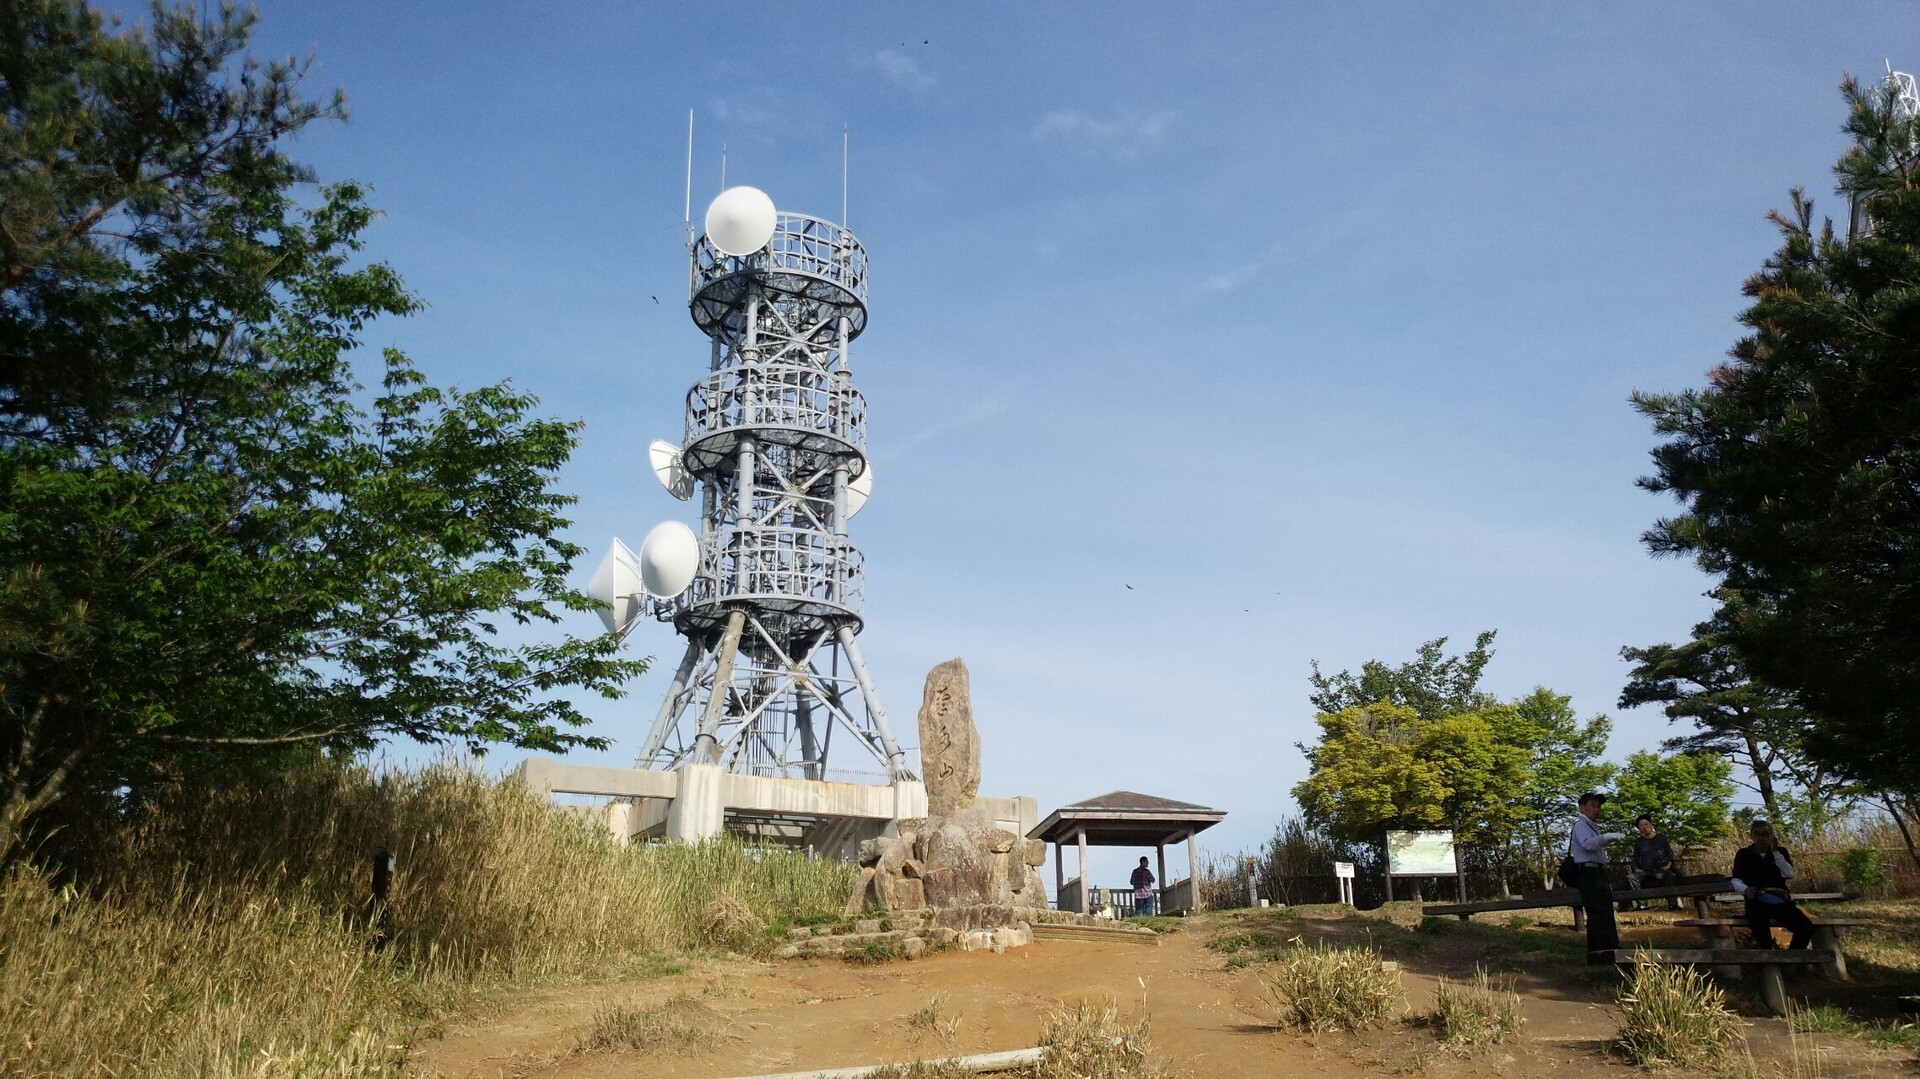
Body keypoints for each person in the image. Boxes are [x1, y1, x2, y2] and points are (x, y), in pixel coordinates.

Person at [1730, 819, 1814, 949]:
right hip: (1756, 900)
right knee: (1758, 925)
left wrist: (1775, 852)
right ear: (1751, 836)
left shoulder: (1780, 852)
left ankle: (1793, 959)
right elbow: (1736, 880)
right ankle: (1769, 954)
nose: (1761, 838)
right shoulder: (1743, 854)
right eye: (1757, 834)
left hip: (1781, 900)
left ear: (1771, 836)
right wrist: (1745, 890)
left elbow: (1789, 874)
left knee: (1805, 927)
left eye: (1765, 834)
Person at [1569, 791, 1627, 958]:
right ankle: (1602, 949)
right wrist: (1606, 837)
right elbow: (1587, 845)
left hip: (1596, 870)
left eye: (1598, 806)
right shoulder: (1581, 825)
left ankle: (1605, 947)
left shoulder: (1591, 826)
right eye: (1592, 805)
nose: (1597, 809)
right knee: (1598, 911)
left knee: (1604, 909)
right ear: (1582, 808)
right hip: (1588, 872)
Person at [1628, 815, 1683, 910]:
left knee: (1670, 876)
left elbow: (1669, 855)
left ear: (1651, 824)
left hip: (1662, 869)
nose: (1644, 827)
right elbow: (1635, 858)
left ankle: (1672, 904)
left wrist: (1667, 866)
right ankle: (1642, 905)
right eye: (1641, 825)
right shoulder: (1639, 841)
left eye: (1646, 824)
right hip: (1646, 871)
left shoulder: (1661, 838)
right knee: (1632, 877)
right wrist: (1637, 869)